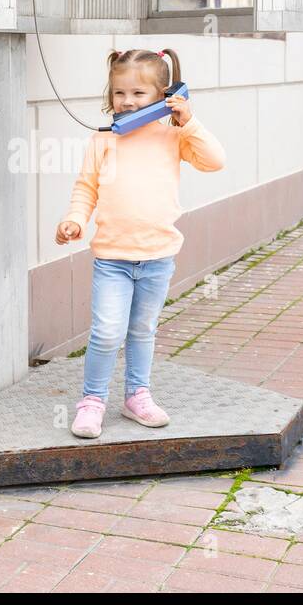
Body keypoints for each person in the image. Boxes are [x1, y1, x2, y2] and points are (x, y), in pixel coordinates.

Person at [55, 48, 226, 439]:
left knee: (143, 329)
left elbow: (215, 161)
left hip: (158, 256)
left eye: (138, 93)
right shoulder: (103, 141)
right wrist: (74, 220)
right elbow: (86, 189)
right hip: (113, 257)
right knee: (106, 332)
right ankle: (92, 401)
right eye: (119, 93)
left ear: (164, 95)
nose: (127, 101)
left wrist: (190, 121)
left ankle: (137, 395)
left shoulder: (174, 135)